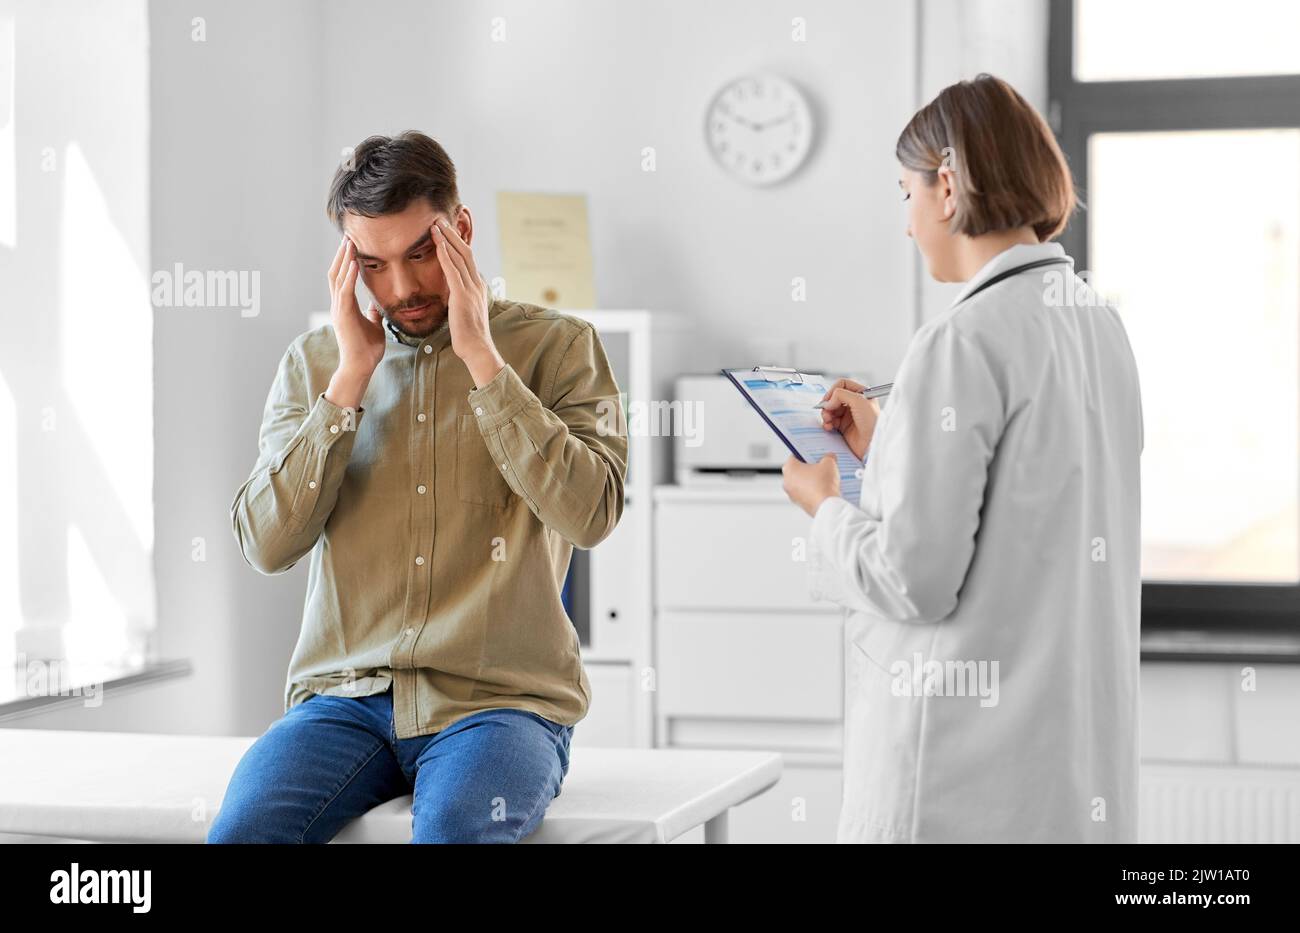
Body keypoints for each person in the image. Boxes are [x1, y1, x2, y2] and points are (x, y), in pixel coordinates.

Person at [209, 131, 627, 843]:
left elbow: (591, 514)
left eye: (421, 254)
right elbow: (267, 545)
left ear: (460, 230)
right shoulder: (315, 365)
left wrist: (483, 360)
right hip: (343, 701)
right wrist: (348, 384)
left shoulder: (560, 347)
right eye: (372, 264)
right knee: (243, 832)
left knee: (457, 832)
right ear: (346, 261)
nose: (401, 289)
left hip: (500, 704)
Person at [780, 74, 1143, 843]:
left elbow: (914, 578)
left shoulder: (960, 340)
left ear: (947, 186)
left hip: (957, 783)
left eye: (905, 193)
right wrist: (886, 444)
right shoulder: (1098, 325)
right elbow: (1026, 500)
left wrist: (824, 505)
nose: (907, 225)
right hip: (1062, 775)